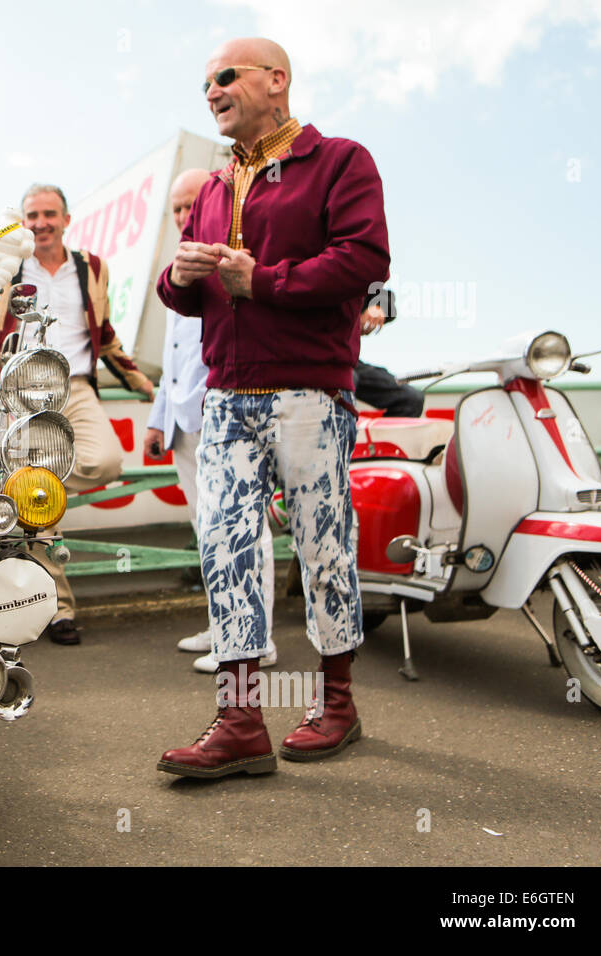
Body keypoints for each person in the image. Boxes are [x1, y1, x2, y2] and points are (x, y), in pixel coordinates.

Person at [154, 37, 390, 779]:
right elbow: (186, 294)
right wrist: (178, 274)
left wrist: (268, 283)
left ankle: (339, 705)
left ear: (275, 81)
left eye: (224, 77)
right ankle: (240, 720)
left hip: (310, 391)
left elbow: (364, 259)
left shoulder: (341, 160)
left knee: (324, 543)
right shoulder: (218, 183)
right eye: (205, 84)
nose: (212, 91)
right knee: (226, 547)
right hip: (227, 392)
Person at [0, 183, 155, 645]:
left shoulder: (92, 267)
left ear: (66, 218)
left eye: (49, 214)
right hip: (24, 392)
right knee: (41, 507)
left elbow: (104, 333)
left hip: (76, 385)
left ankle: (30, 489)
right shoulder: (9, 266)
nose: (40, 223)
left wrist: (140, 381)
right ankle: (58, 609)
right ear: (23, 221)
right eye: (32, 215)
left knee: (105, 462)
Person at [144, 168, 278, 672]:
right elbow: (172, 354)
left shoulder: (237, 259)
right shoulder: (179, 266)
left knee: (244, 528)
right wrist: (160, 420)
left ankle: (255, 638)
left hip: (227, 413)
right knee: (208, 531)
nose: (183, 215)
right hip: (184, 421)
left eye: (191, 203)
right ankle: (224, 623)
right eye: (176, 208)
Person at [354, 289, 424, 417]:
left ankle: (383, 437)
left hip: (350, 363)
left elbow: (386, 299)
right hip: (318, 361)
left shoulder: (358, 278)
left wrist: (378, 306)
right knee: (346, 383)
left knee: (412, 399)